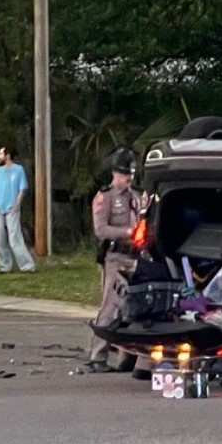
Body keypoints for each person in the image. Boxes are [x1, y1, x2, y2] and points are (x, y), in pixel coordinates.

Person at [84, 151, 146, 373]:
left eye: (130, 173)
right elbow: (100, 230)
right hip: (115, 258)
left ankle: (127, 357)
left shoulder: (137, 196)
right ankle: (97, 356)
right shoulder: (106, 197)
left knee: (132, 308)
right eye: (123, 173)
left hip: (135, 257)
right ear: (114, 173)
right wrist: (126, 231)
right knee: (111, 306)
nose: (127, 178)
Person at [0, 146, 37, 274]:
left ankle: (27, 265)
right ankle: (4, 266)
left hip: (12, 207)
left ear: (8, 155)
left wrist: (17, 205)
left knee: (14, 237)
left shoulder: (18, 170)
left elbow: (22, 189)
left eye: (1, 154)